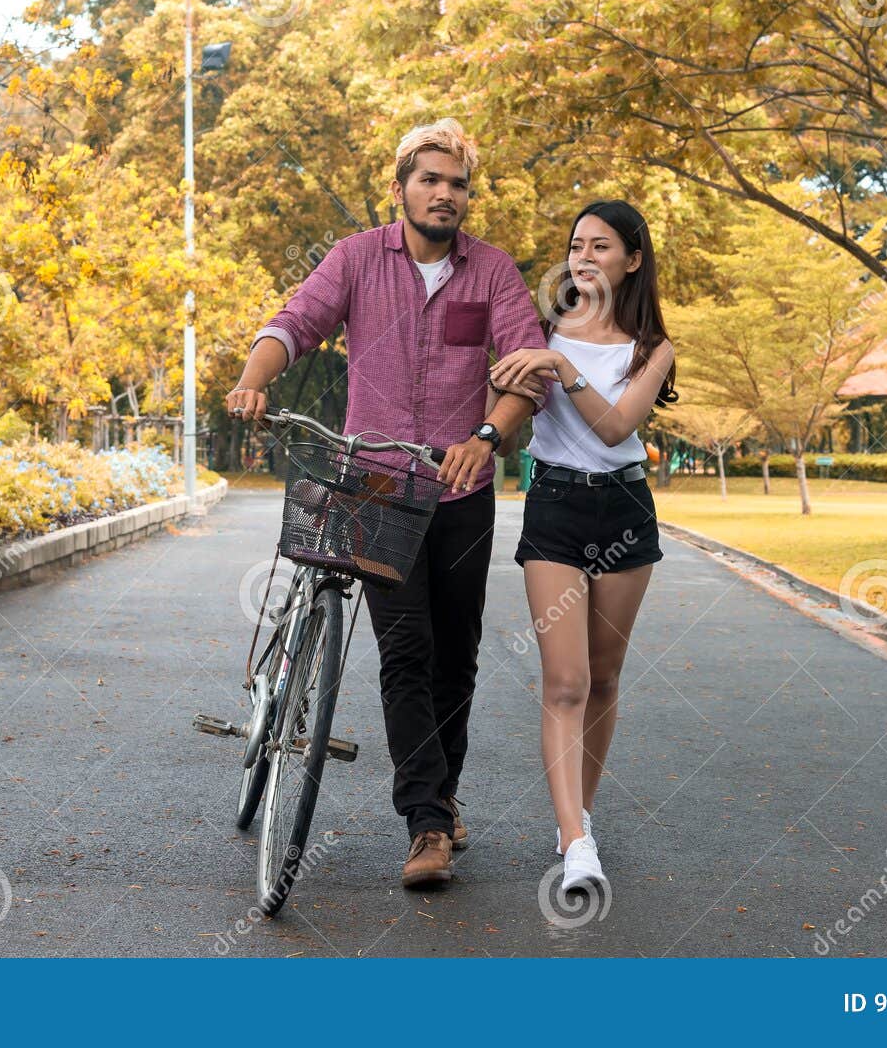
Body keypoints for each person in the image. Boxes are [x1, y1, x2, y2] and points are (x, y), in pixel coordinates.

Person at [227, 118, 549, 889]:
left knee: (454, 655)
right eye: (430, 179)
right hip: (374, 486)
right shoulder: (355, 259)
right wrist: (253, 376)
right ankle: (428, 824)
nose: (445, 193)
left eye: (457, 183)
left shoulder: (494, 272)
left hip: (462, 486)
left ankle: (440, 790)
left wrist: (487, 434)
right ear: (401, 186)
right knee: (405, 650)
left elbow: (525, 366)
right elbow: (295, 322)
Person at [489, 199, 677, 894]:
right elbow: (508, 431)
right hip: (556, 508)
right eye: (576, 245)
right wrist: (500, 400)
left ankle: (583, 814)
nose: (584, 257)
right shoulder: (540, 329)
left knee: (602, 678)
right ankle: (574, 841)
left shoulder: (652, 348)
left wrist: (561, 369)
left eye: (601, 246)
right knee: (564, 680)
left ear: (632, 258)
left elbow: (617, 424)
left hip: (625, 508)